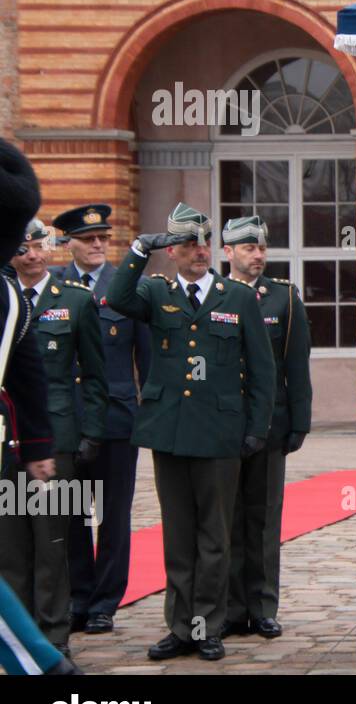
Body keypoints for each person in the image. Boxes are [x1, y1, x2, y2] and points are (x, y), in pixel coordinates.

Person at [106, 202, 275, 662]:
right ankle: (179, 627)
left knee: (214, 538)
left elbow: (262, 371)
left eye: (204, 242)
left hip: (219, 434)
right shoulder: (155, 292)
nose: (199, 251)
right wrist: (140, 249)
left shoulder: (237, 296)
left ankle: (206, 626)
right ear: (171, 250)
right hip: (170, 433)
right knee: (178, 537)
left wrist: (257, 428)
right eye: (187, 243)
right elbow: (117, 298)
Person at [0, 217, 107, 657]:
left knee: (51, 542)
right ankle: (20, 633)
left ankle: (53, 634)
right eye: (22, 247)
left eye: (37, 246)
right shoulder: (5, 301)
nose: (30, 254)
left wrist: (91, 436)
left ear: (50, 248)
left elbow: (96, 377)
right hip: (7, 439)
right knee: (10, 546)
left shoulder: (76, 302)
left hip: (56, 436)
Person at [0, 138, 80, 674]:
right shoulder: (9, 294)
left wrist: (38, 445)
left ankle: (44, 666)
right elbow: (27, 373)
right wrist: (36, 445)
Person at [51, 203, 150, 636]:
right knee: (71, 513)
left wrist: (150, 417)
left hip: (116, 418)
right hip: (68, 420)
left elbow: (145, 359)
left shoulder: (127, 287)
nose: (96, 245)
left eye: (102, 239)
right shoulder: (53, 287)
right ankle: (78, 596)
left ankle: (106, 602)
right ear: (68, 243)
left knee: (113, 516)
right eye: (87, 239)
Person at [218, 215, 312, 641]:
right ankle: (232, 608)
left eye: (261, 248)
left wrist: (300, 420)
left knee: (264, 519)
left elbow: (296, 363)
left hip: (271, 423)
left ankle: (262, 604)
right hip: (224, 426)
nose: (257, 256)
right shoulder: (215, 297)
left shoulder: (283, 298)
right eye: (248, 248)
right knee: (226, 520)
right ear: (228, 252)